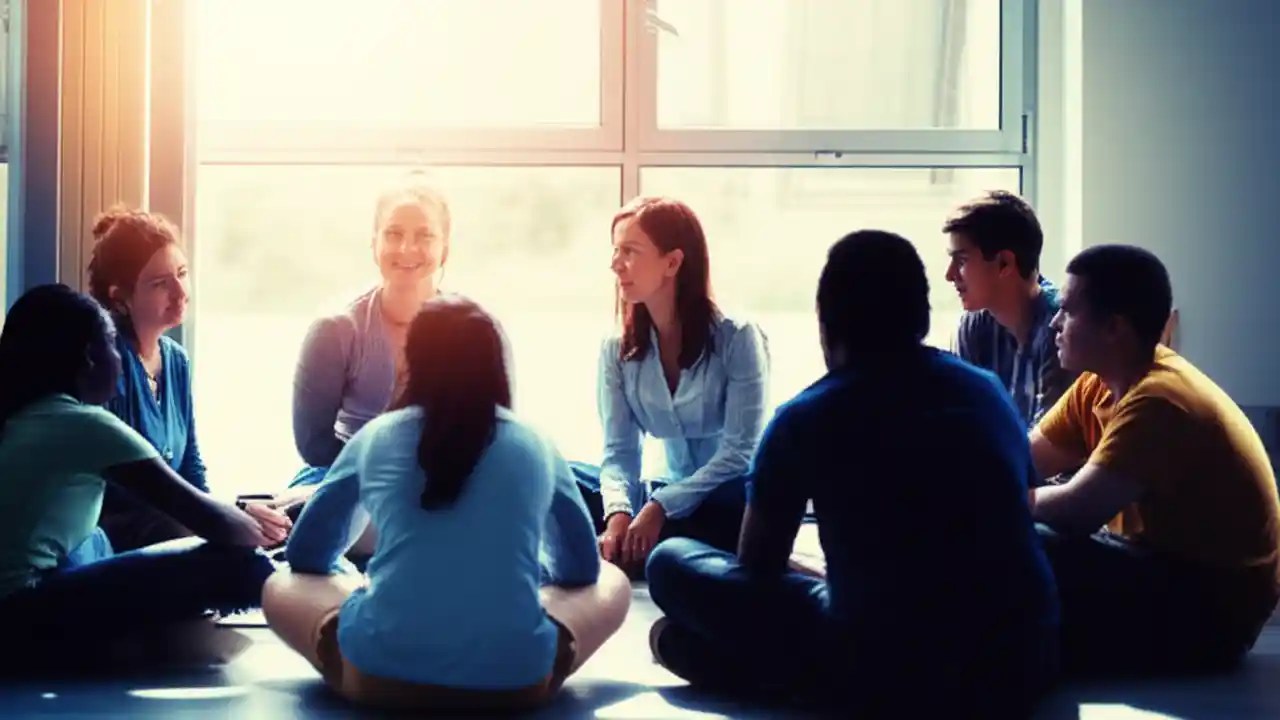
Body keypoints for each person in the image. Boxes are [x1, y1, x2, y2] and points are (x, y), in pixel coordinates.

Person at [645, 231, 1060, 716]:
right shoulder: (987, 392)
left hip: (881, 668)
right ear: (921, 316)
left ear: (826, 323)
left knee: (669, 562)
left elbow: (758, 564)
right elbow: (1024, 509)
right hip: (1024, 663)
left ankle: (748, 666)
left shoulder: (805, 416)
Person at [262, 296, 630, 712]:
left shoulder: (375, 437)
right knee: (611, 581)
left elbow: (307, 554)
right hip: (514, 683)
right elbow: (580, 568)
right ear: (496, 363)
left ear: (411, 361)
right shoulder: (537, 444)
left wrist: (357, 584)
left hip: (377, 675)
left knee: (281, 584)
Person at [0, 285, 289, 673]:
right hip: (19, 619)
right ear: (89, 357)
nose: (120, 361)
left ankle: (127, 642)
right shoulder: (83, 424)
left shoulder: (26, 415)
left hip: (17, 607)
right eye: (112, 346)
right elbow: (218, 524)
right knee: (238, 562)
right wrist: (260, 524)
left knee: (98, 539)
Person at [1029, 244, 1280, 675]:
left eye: (1068, 311)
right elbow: (1025, 459)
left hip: (1213, 610)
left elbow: (1076, 512)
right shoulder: (1100, 382)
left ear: (1113, 327)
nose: (1054, 322)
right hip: (1158, 567)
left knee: (1032, 538)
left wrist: (989, 501)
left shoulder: (1159, 400)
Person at [573, 197, 769, 573]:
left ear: (673, 263)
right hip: (656, 489)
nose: (615, 265)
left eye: (629, 251)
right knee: (559, 475)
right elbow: (619, 451)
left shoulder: (738, 337)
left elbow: (741, 452)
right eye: (615, 251)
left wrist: (661, 506)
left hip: (723, 496)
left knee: (740, 501)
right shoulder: (616, 347)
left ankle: (649, 549)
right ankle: (636, 543)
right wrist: (618, 511)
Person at [273, 175, 452, 531]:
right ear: (374, 244)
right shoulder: (336, 330)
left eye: (424, 236)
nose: (406, 249)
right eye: (394, 234)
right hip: (345, 474)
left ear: (445, 248)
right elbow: (313, 444)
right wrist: (388, 478)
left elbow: (496, 434)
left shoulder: (475, 332)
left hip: (439, 479)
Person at [86, 207, 206, 551]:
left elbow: (191, 468)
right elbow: (118, 489)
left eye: (182, 273)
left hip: (172, 524)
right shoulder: (105, 365)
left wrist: (225, 518)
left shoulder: (176, 361)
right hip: (117, 536)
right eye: (159, 284)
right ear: (119, 297)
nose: (180, 292)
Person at [945, 191, 1075, 426]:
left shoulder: (1062, 332)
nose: (949, 275)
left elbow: (1049, 448)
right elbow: (965, 424)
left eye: (961, 261)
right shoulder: (974, 325)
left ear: (1005, 263)